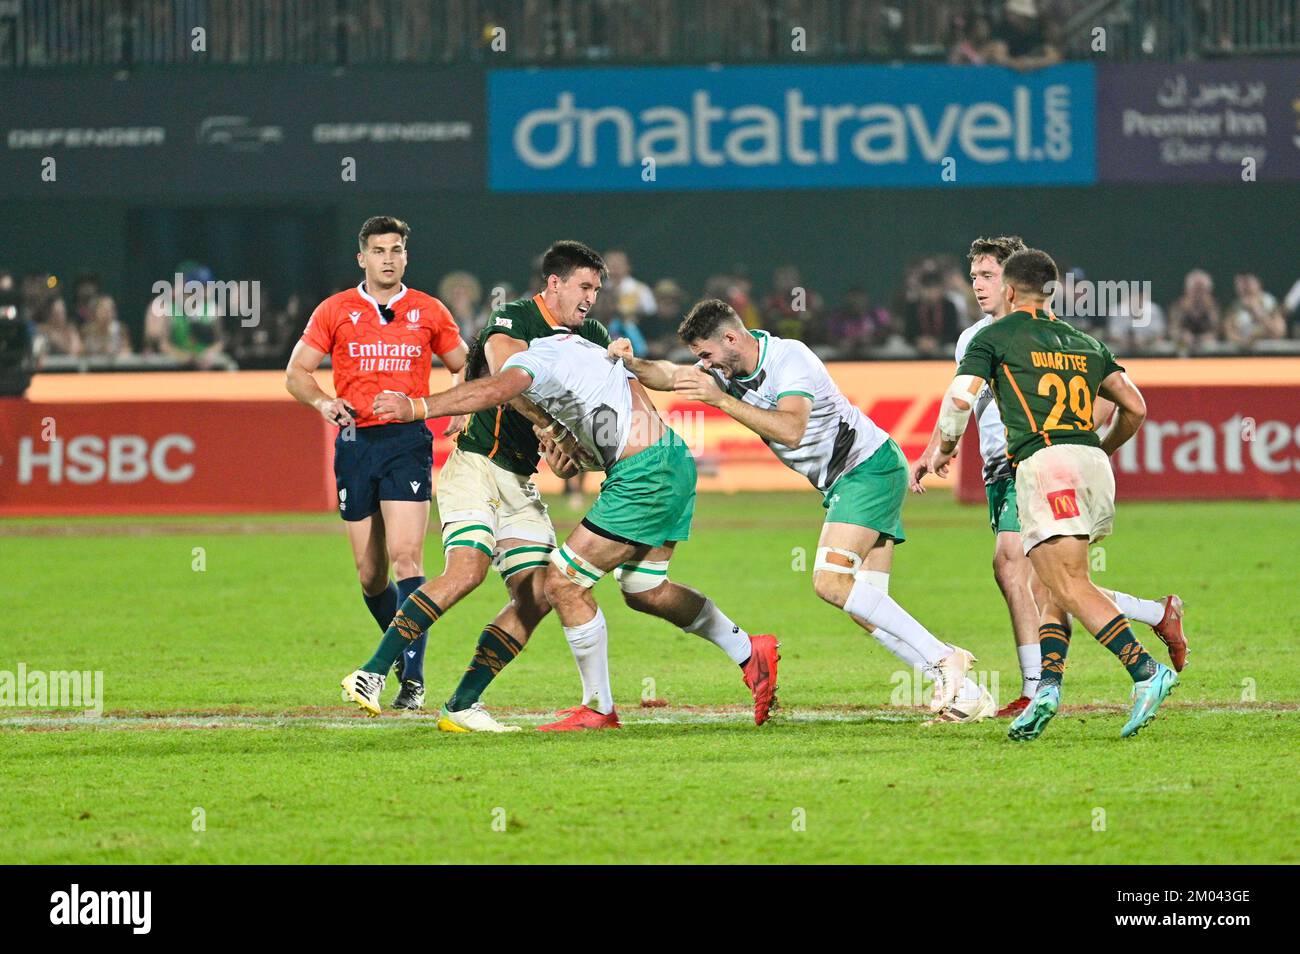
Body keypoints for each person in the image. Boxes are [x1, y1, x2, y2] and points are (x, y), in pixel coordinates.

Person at [360, 316, 781, 731]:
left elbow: (493, 389)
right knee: (645, 589)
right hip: (667, 460)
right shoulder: (586, 354)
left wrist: (417, 407)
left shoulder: (542, 357)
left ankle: (598, 708)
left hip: (643, 473)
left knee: (561, 583)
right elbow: (593, 436)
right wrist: (566, 454)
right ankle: (748, 650)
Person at [619, 299, 987, 723]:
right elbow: (671, 374)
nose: (704, 365)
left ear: (732, 338)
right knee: (867, 607)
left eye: (707, 354)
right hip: (848, 479)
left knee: (831, 582)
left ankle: (945, 657)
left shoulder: (789, 359)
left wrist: (720, 400)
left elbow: (791, 430)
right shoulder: (725, 368)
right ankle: (969, 694)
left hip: (867, 468)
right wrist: (631, 364)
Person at [339, 241, 609, 730]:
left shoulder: (591, 334)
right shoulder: (514, 320)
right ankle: (373, 672)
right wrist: (550, 425)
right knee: (467, 570)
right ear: (555, 283)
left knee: (537, 594)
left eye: (596, 288)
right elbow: (510, 376)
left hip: (520, 481)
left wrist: (573, 454)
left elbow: (580, 423)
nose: (591, 297)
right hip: (477, 465)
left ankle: (462, 705)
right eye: (584, 286)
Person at [913, 237, 1187, 718]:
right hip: (1015, 468)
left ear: (1014, 286)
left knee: (1032, 571)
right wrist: (934, 449)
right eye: (973, 275)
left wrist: (1066, 441)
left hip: (1037, 464)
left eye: (988, 276)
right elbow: (1130, 404)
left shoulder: (1004, 340)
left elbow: (959, 401)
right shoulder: (1057, 339)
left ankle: (1104, 675)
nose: (978, 285)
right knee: (1051, 580)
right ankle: (1144, 620)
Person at [285, 215, 468, 712]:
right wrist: (324, 403)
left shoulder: (428, 310)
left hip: (407, 441)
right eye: (379, 250)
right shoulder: (335, 310)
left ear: (406, 256)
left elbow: (465, 365)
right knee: (370, 575)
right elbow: (297, 373)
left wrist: (456, 410)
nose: (388, 259)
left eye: (396, 250)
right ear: (361, 257)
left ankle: (412, 677)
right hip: (353, 441)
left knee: (409, 558)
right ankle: (403, 657)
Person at [1168, 269, 1223, 352]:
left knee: (1211, 347)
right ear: (1188, 289)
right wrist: (1182, 335)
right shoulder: (1179, 306)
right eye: (1196, 289)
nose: (1199, 293)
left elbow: (1217, 329)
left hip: (1207, 344)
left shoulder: (1212, 307)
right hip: (1184, 343)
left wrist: (1208, 337)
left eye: (1202, 289)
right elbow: (1173, 328)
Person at [80, 295, 132, 360]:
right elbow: (80, 352)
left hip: (115, 367)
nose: (107, 314)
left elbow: (127, 350)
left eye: (111, 310)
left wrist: (118, 354)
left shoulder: (121, 329)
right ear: (95, 312)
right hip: (92, 368)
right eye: (104, 310)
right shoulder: (86, 330)